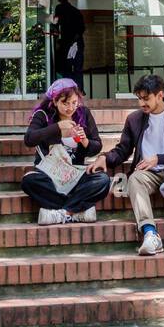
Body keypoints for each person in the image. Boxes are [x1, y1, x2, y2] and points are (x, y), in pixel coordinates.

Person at [88, 74, 164, 256]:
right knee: (135, 179)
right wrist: (105, 158)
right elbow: (123, 149)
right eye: (139, 98)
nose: (141, 103)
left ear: (160, 95)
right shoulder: (134, 120)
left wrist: (159, 159)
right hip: (148, 173)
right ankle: (149, 233)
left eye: (146, 98)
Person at [21, 78, 111, 225]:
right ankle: (77, 212)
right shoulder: (43, 115)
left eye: (74, 102)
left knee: (103, 180)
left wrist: (85, 141)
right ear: (55, 101)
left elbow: (97, 146)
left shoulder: (83, 113)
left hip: (75, 174)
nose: (70, 108)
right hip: (50, 175)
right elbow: (29, 139)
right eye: (65, 103)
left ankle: (62, 213)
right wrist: (57, 127)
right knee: (29, 181)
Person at [51, 0, 85, 87]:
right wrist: (75, 39)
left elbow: (55, 23)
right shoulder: (76, 11)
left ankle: (68, 89)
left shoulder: (60, 8)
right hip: (78, 43)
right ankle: (79, 89)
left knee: (66, 68)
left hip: (67, 43)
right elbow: (82, 28)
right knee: (78, 68)